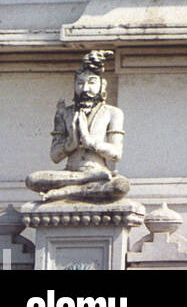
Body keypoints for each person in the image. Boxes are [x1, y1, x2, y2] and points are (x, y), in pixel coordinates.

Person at [25, 50, 129, 203]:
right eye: (80, 83)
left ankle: (64, 192)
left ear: (102, 86)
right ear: (74, 86)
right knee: (32, 180)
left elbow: (116, 154)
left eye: (92, 83)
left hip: (99, 170)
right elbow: (55, 156)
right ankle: (86, 181)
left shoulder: (113, 113)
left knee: (120, 186)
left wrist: (89, 141)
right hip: (71, 174)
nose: (85, 89)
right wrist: (71, 144)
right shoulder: (64, 113)